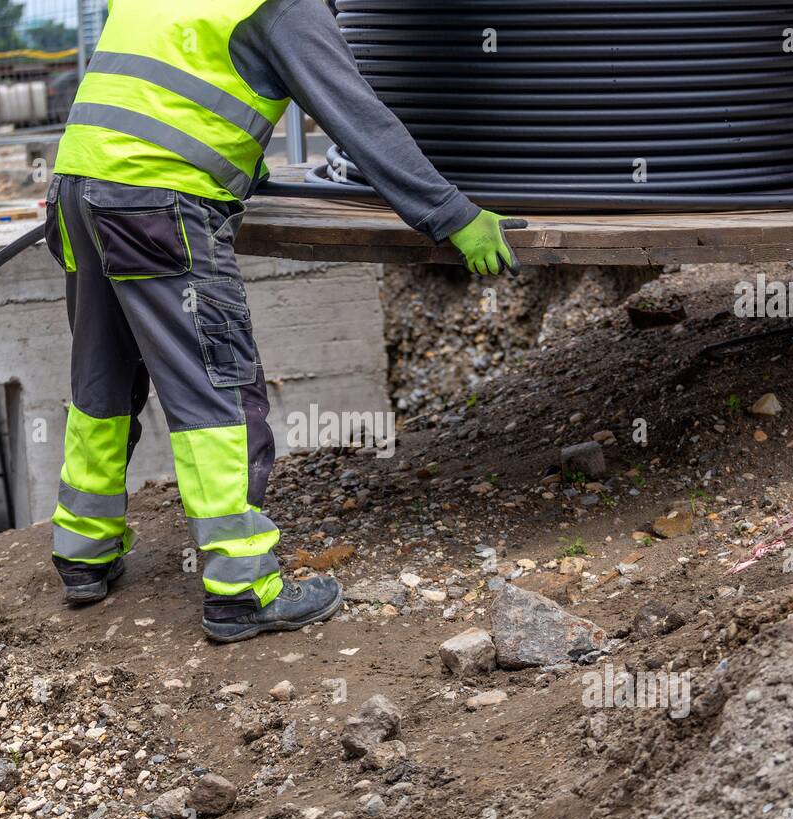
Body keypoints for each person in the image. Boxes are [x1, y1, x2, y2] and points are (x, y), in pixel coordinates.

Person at [46, 0, 523, 643]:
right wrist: (451, 214)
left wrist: (235, 159)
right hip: (158, 204)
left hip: (77, 189)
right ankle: (241, 590)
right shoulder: (284, 7)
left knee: (102, 380)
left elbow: (165, 89)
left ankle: (84, 553)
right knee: (215, 394)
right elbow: (356, 116)